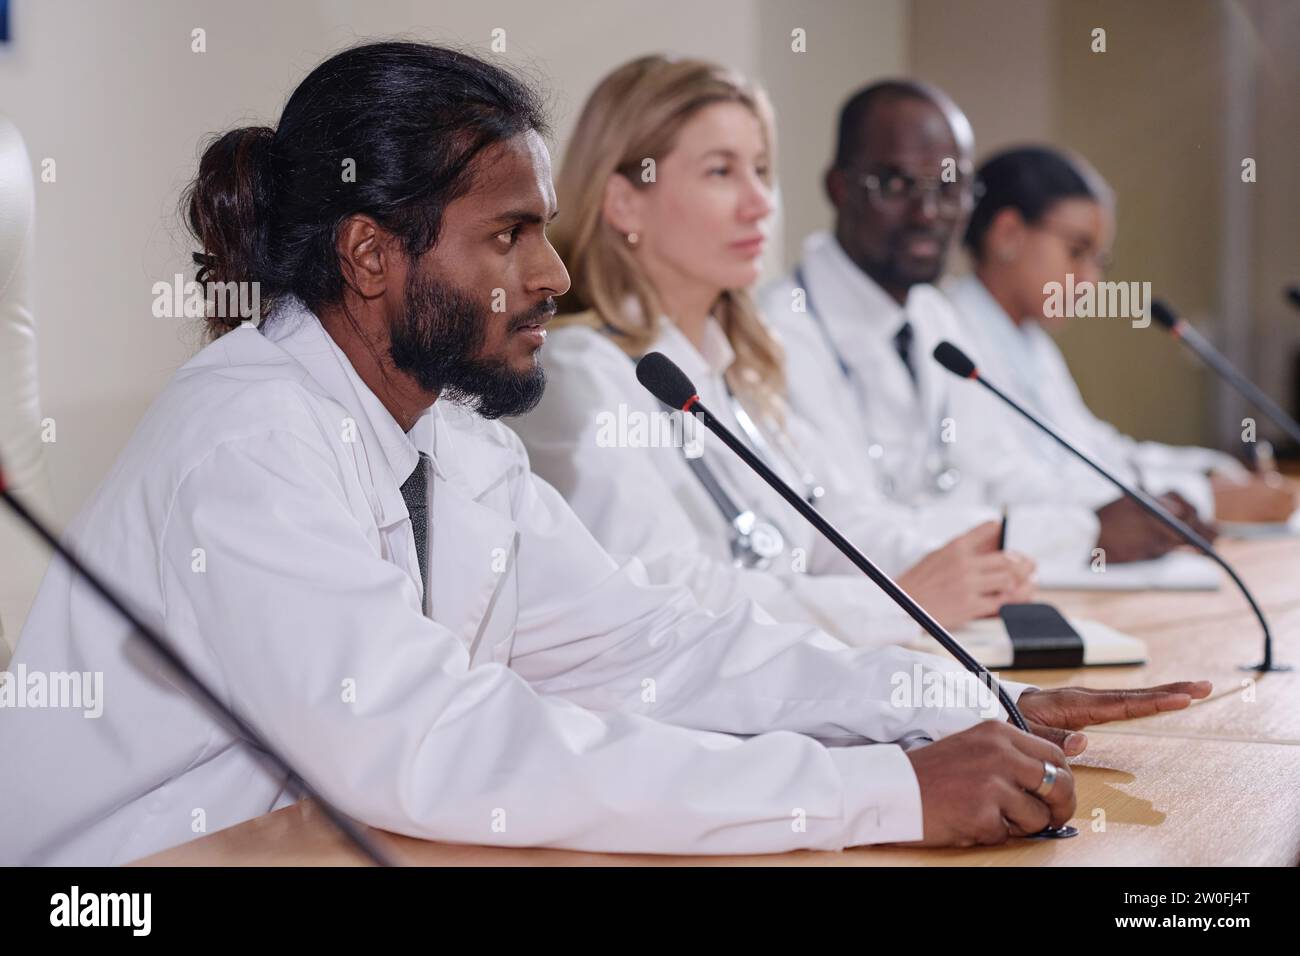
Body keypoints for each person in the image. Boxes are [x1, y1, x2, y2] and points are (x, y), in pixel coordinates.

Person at [0, 43, 1209, 865]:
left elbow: (655, 650)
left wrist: (957, 700)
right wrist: (886, 794)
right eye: (510, 234)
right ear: (374, 256)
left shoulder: (456, 443)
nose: (553, 275)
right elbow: (432, 745)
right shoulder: (247, 437)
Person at [513, 55, 1035, 644]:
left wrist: (974, 563)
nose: (759, 202)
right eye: (721, 172)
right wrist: (903, 603)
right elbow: (661, 595)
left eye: (762, 170)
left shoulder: (737, 369)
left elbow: (833, 523)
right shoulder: (579, 373)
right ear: (625, 201)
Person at [761, 80, 1208, 565]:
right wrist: (1083, 535)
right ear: (839, 187)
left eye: (950, 188)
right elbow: (845, 534)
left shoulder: (932, 318)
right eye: (896, 185)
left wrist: (1124, 514)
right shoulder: (780, 331)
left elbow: (997, 473)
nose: (929, 212)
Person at [947, 145, 1296, 532]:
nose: (1090, 280)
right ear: (1008, 234)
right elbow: (1009, 489)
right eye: (1076, 251)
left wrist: (1209, 470)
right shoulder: (949, 336)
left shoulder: (1031, 342)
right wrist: (1200, 496)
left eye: (1098, 260)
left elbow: (1095, 451)